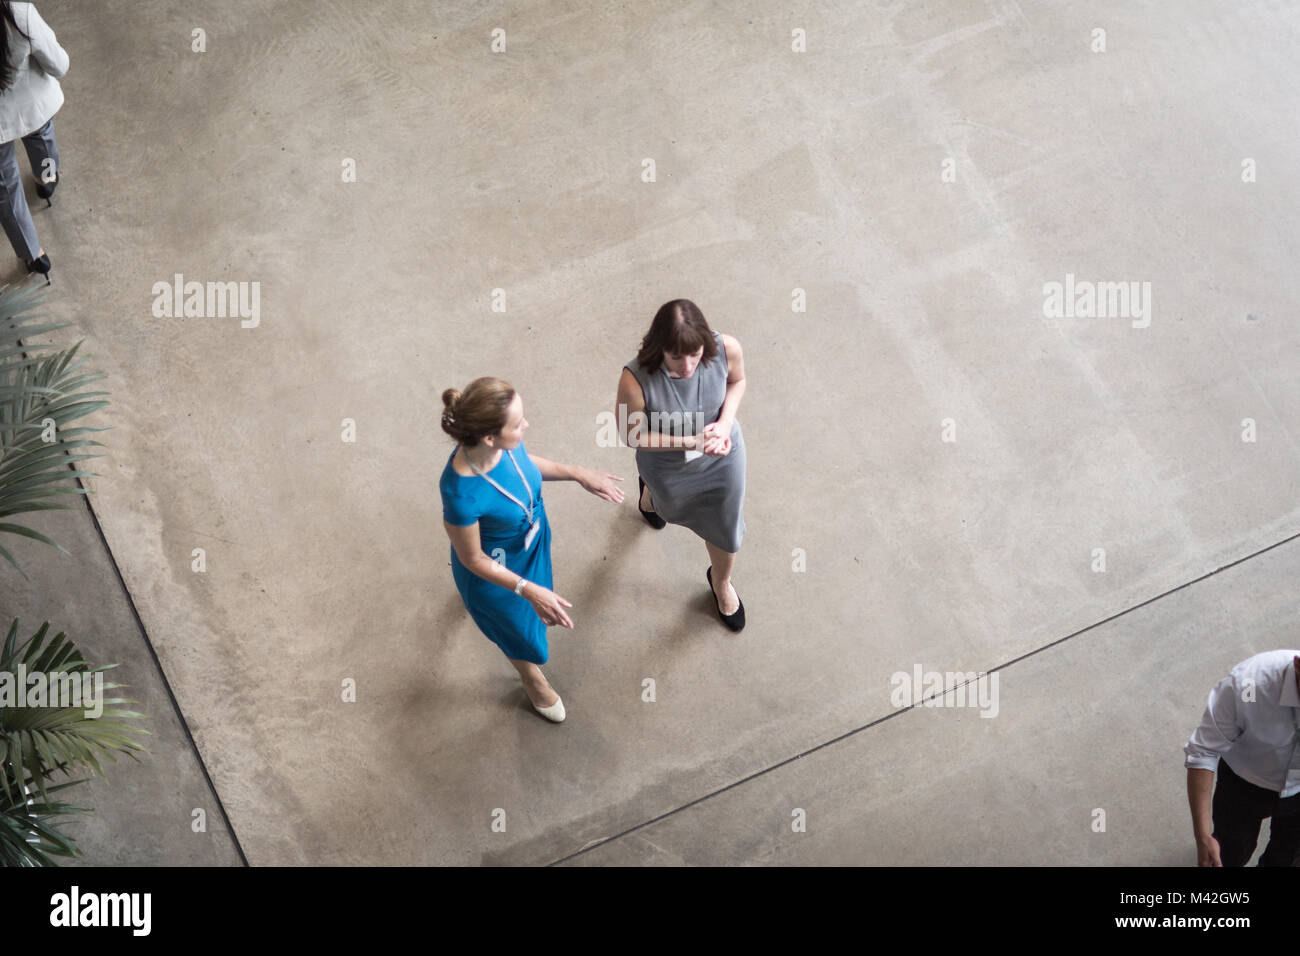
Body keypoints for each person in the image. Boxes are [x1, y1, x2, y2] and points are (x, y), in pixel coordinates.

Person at [439, 377, 623, 722]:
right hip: (494, 569)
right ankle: (530, 677)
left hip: (531, 542)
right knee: (520, 632)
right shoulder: (460, 495)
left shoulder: (502, 446)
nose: (527, 425)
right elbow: (472, 558)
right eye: (518, 423)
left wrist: (577, 473)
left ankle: (528, 640)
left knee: (536, 616)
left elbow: (523, 465)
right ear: (490, 436)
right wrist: (528, 590)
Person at [616, 299, 748, 630]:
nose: (688, 366)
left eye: (696, 354)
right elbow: (630, 435)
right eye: (676, 357)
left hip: (721, 452)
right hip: (668, 462)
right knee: (669, 508)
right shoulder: (634, 380)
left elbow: (737, 381)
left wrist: (724, 423)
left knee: (726, 526)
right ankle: (650, 497)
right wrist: (690, 442)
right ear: (660, 348)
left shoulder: (726, 347)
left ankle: (721, 582)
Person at [1184, 649, 1300, 866]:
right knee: (1228, 853)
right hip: (1244, 786)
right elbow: (1203, 752)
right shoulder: (1249, 685)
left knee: (1286, 855)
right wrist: (1202, 835)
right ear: (1297, 666)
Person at [0, 2, 66, 282]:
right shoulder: (18, 12)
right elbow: (58, 64)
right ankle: (46, 181)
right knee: (42, 138)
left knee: (4, 183)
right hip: (31, 105)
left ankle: (33, 255)